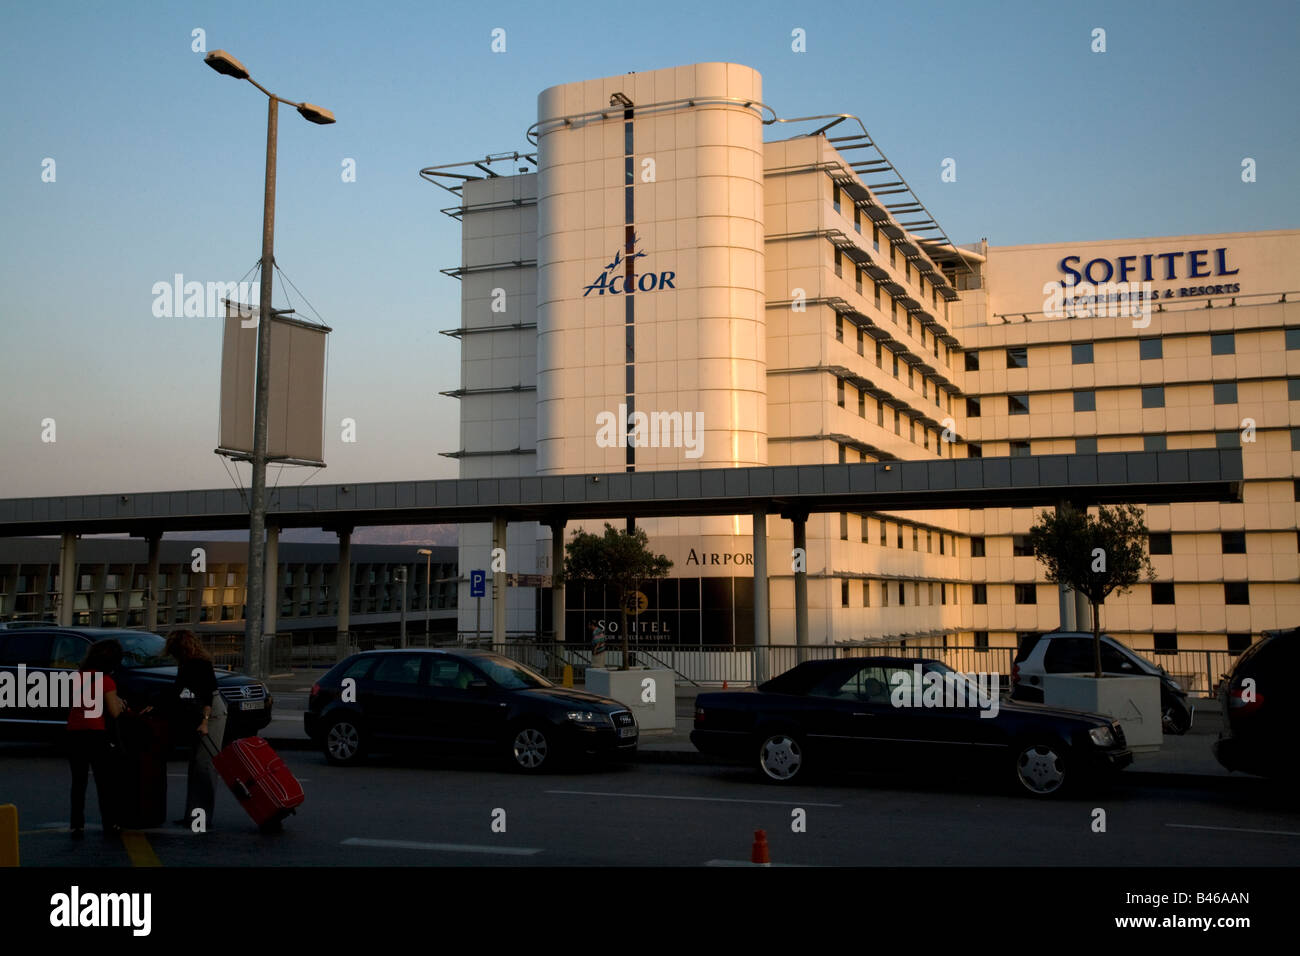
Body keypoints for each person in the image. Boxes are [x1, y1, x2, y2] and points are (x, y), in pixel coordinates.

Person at [163, 629, 227, 830]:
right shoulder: (187, 664)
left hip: (211, 715)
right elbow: (177, 691)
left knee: (205, 767)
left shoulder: (200, 665)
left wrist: (205, 722)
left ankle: (201, 818)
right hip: (203, 714)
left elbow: (207, 695)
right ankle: (193, 815)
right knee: (196, 766)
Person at [66, 639, 126, 839]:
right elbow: (114, 712)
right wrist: (120, 704)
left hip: (74, 732)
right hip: (96, 733)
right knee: (104, 782)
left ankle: (76, 824)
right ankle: (110, 823)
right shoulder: (106, 681)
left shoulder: (78, 677)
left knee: (78, 781)